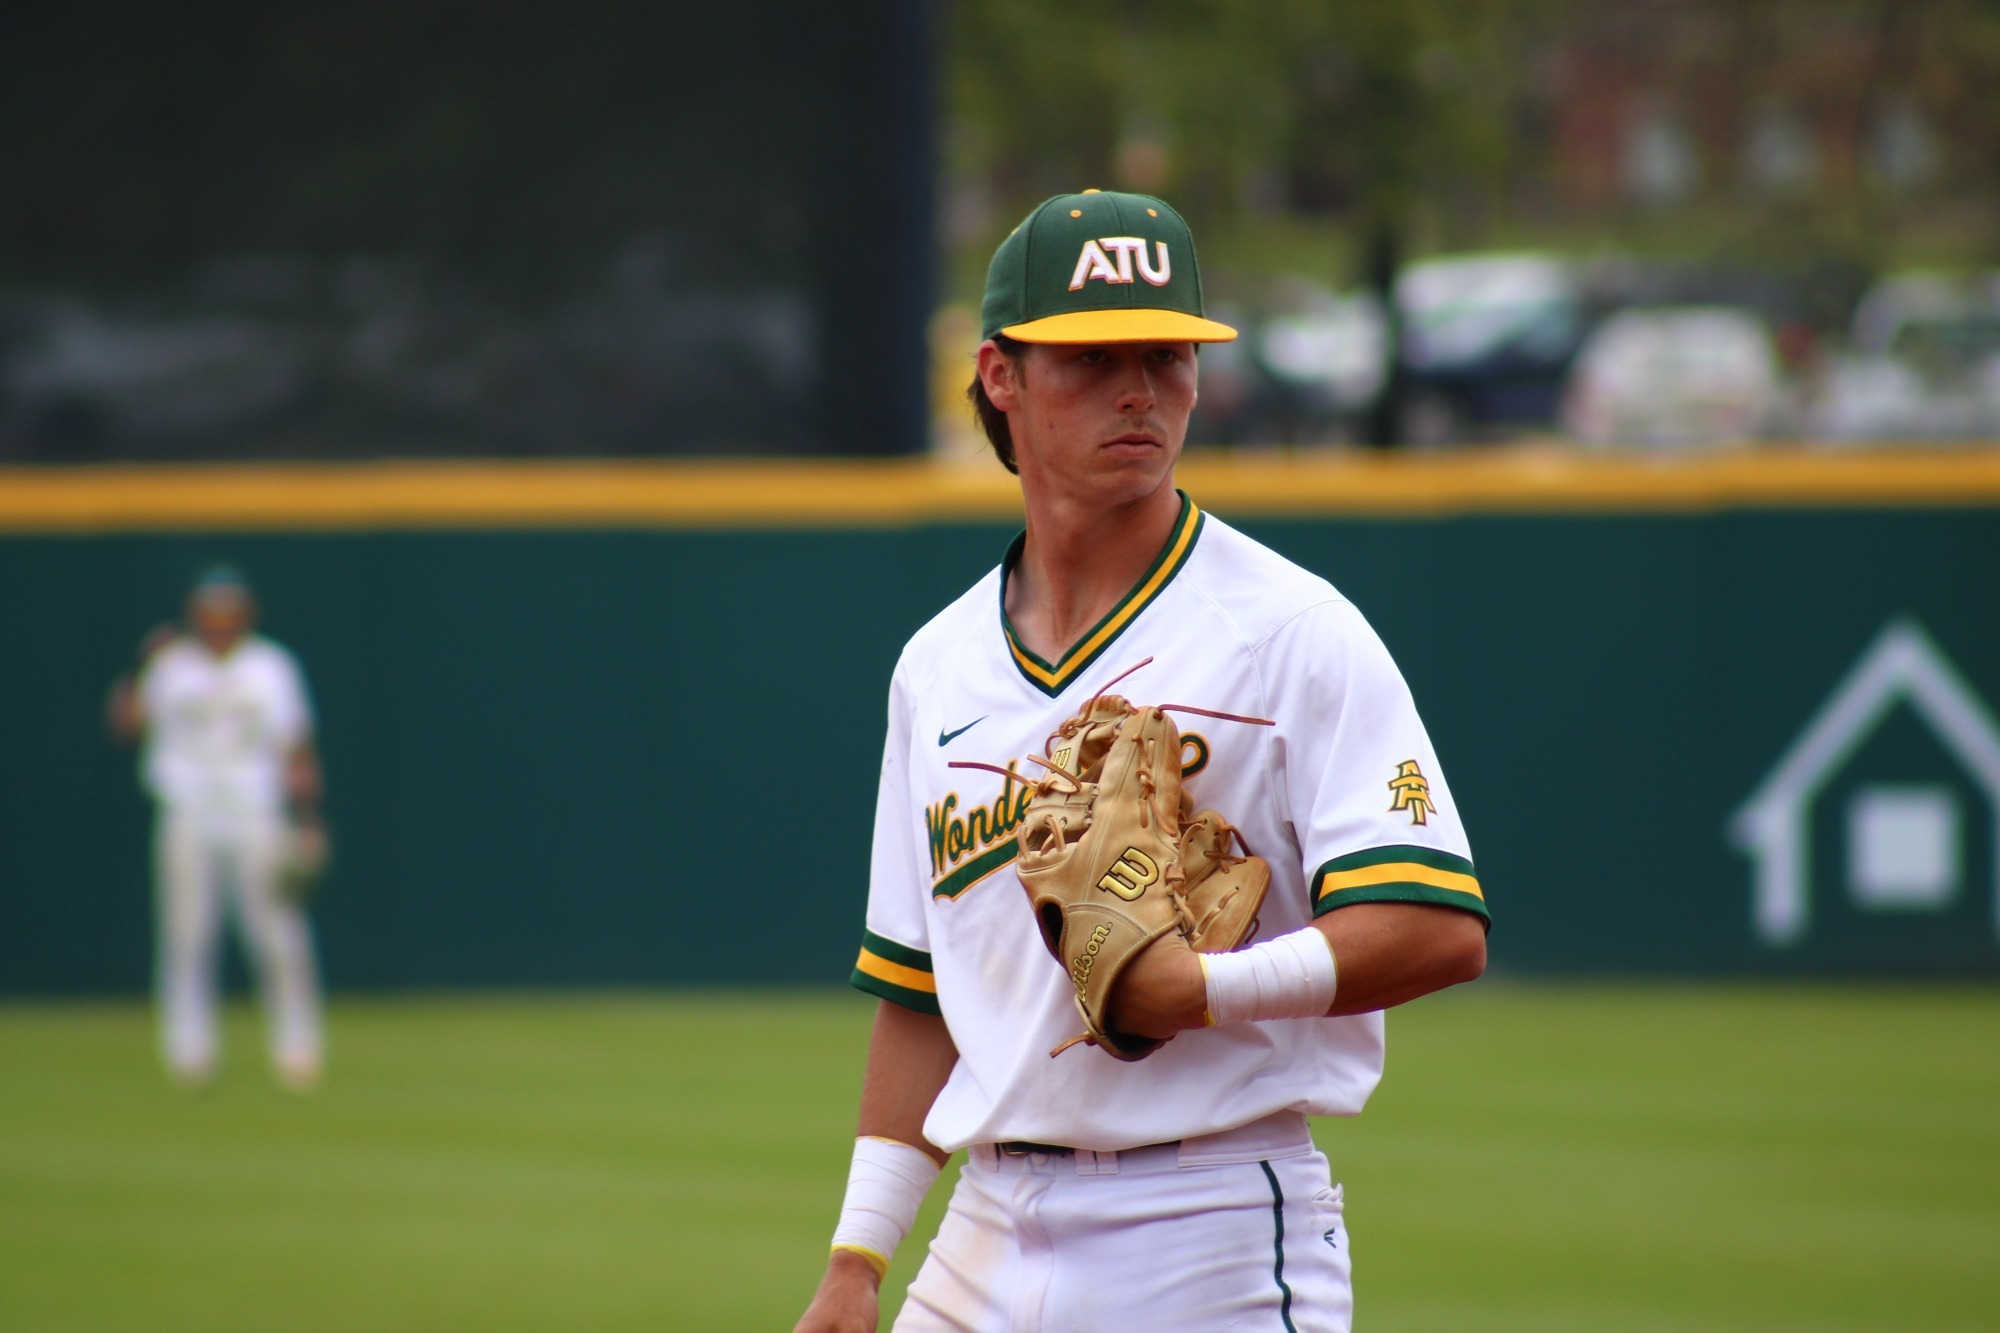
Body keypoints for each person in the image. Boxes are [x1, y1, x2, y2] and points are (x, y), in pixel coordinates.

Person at [794, 190, 1489, 1333]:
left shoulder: (1293, 631)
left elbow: (1436, 924)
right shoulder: (938, 669)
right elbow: (921, 992)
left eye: (1167, 353)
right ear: (999, 375)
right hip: (986, 1223)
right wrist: (859, 1254)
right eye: (1091, 356)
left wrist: (1200, 992)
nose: (1139, 388)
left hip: (1210, 1221)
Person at [107, 566, 328, 1091]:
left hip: (256, 812)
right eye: (212, 617)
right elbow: (125, 724)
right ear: (196, 617)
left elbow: (295, 746)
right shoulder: (169, 666)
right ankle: (190, 1052)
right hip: (189, 810)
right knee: (187, 935)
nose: (221, 627)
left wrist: (307, 819)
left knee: (277, 934)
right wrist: (139, 666)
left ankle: (297, 1049)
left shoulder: (271, 666)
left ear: (246, 617)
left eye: (230, 617)